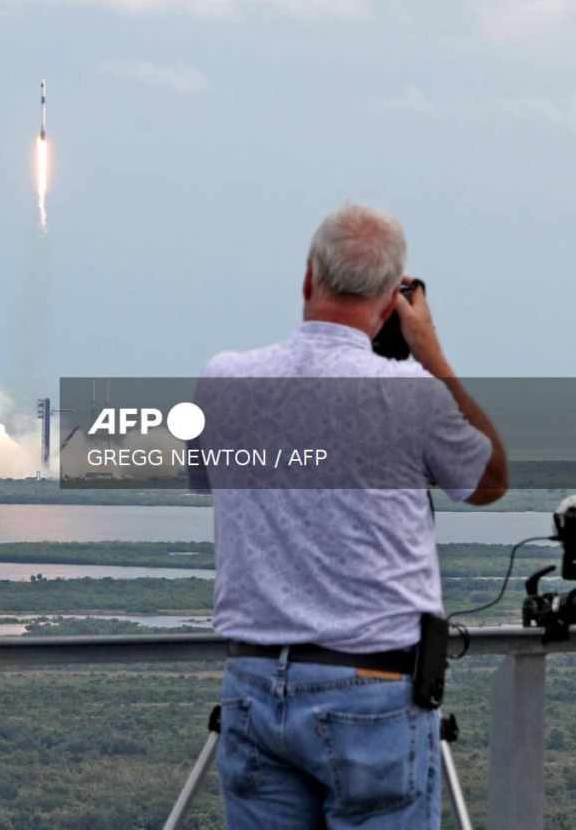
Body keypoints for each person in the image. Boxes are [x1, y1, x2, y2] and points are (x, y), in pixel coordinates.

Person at [190, 203, 507, 829]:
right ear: (393, 303)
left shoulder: (223, 379)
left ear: (308, 278)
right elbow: (489, 480)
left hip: (253, 685)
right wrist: (432, 356)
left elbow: (206, 476)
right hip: (373, 693)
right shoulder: (413, 393)